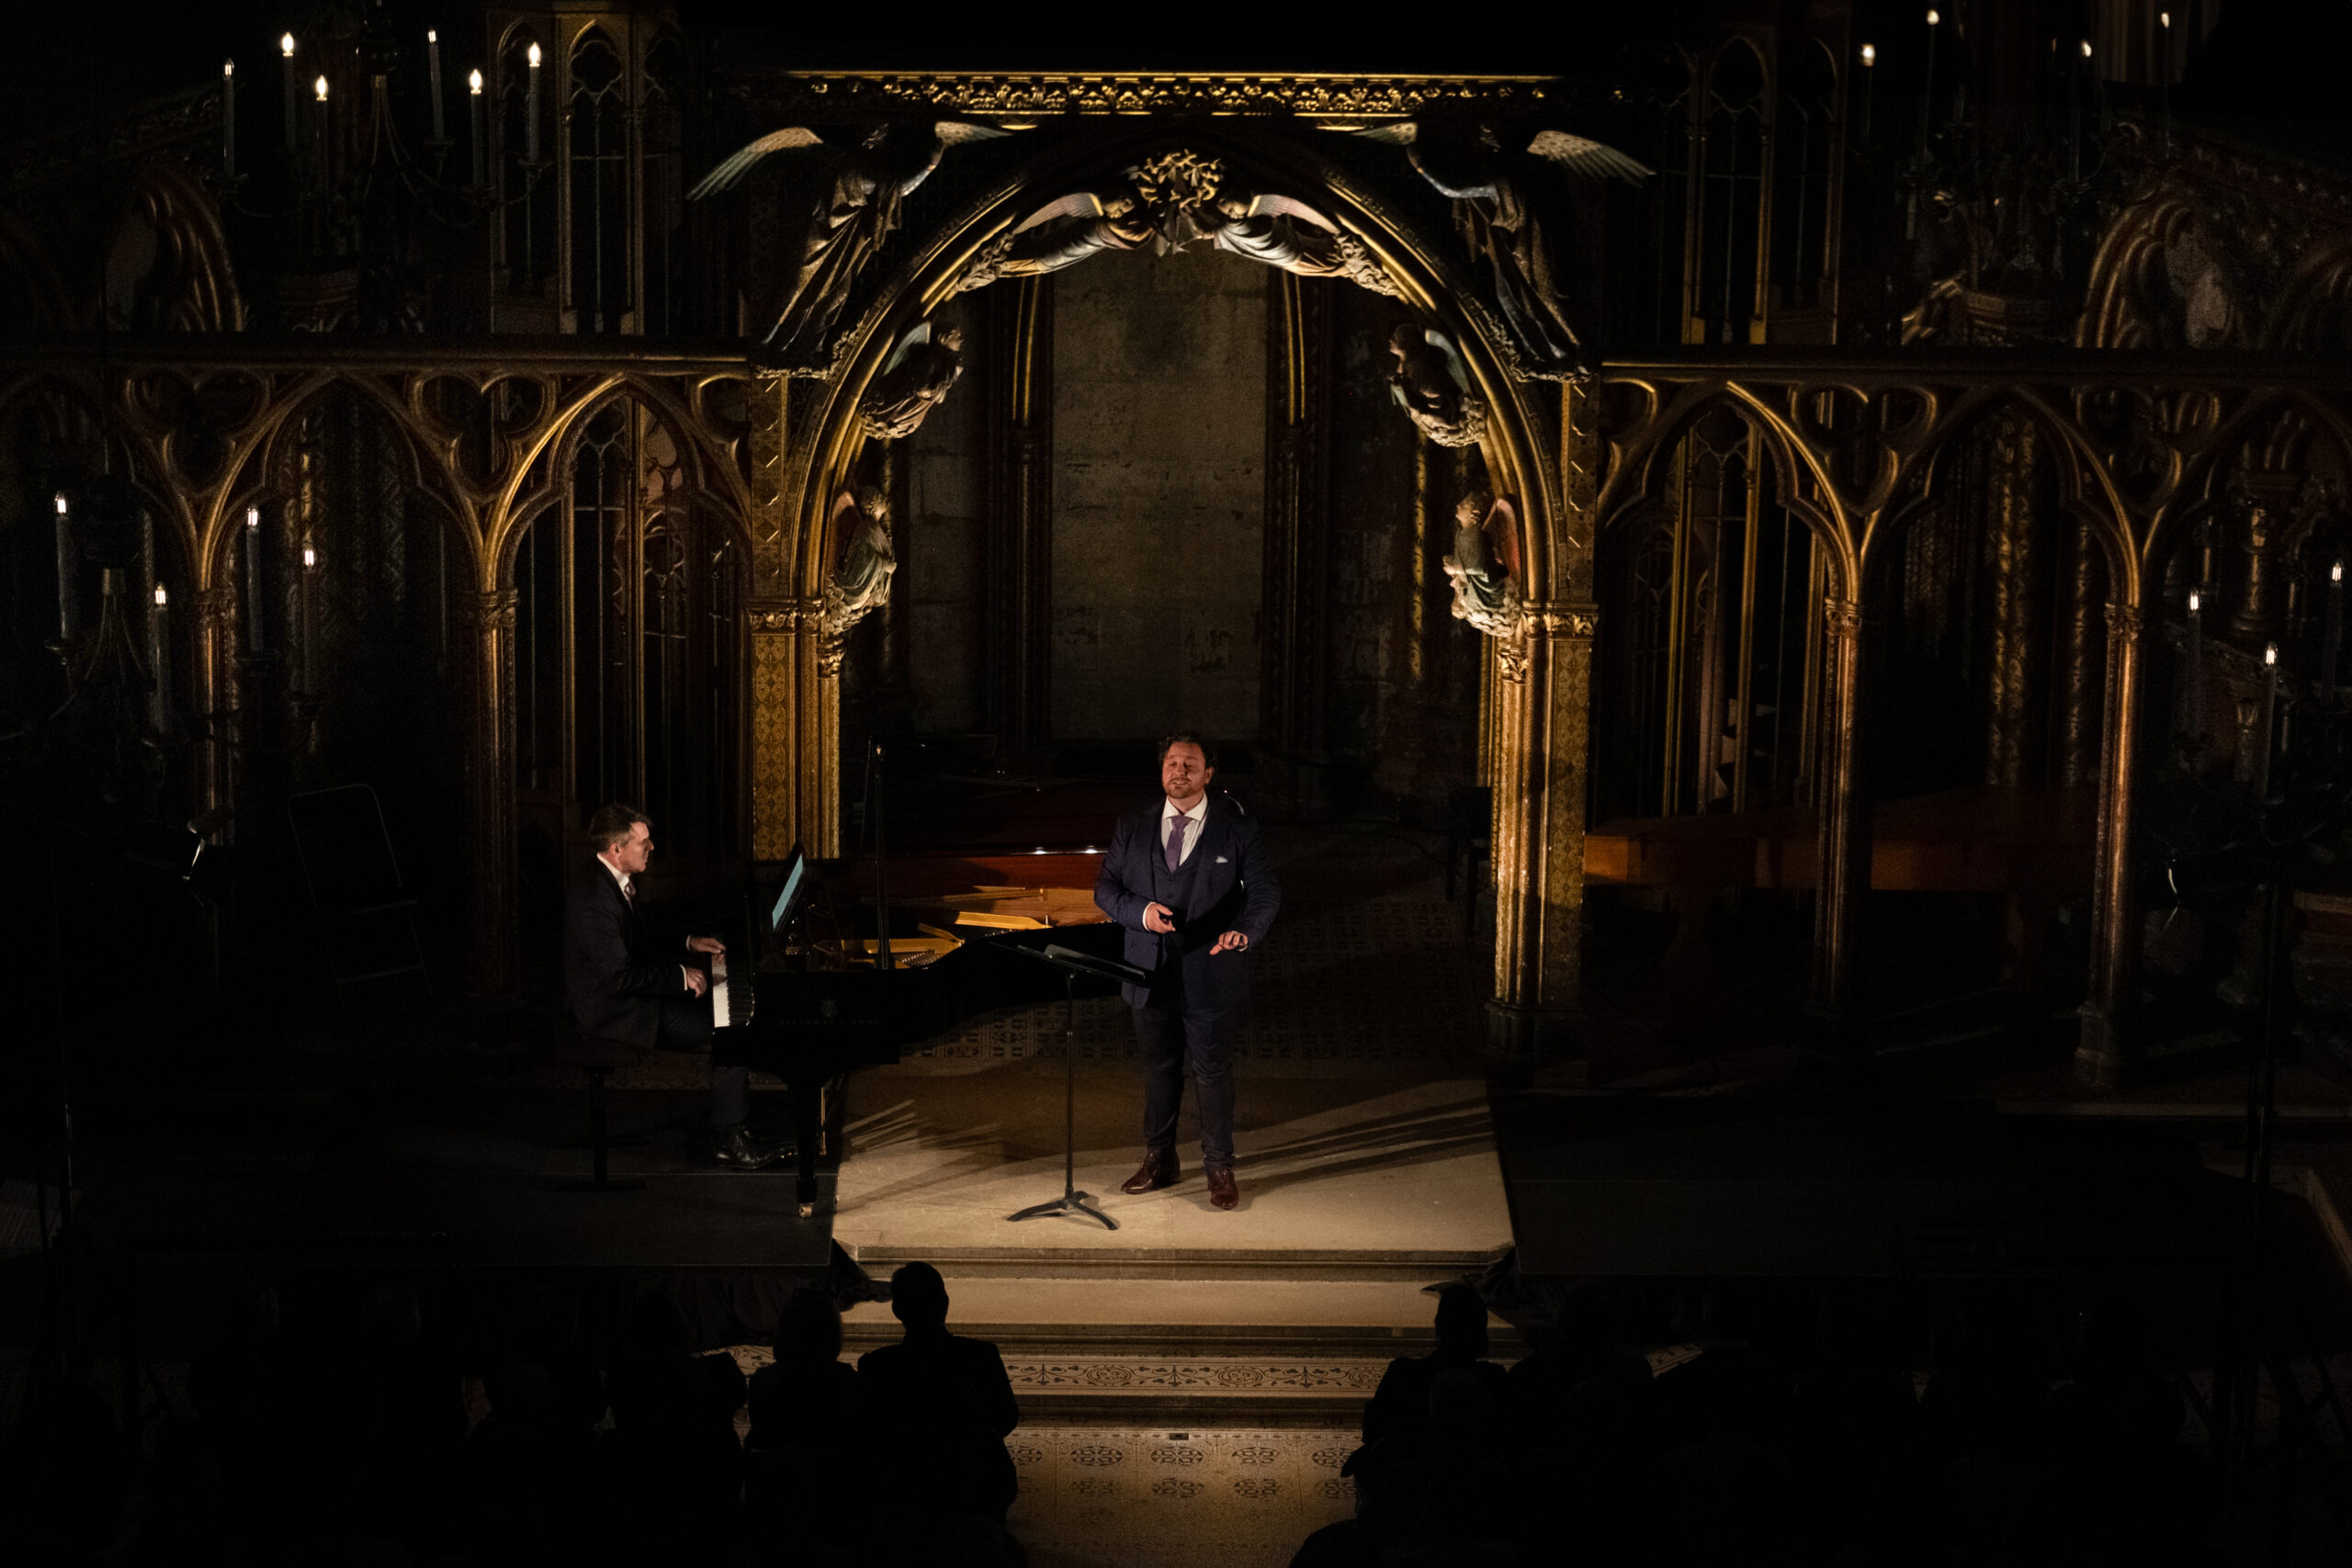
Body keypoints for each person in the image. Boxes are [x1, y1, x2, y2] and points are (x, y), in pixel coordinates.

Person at [1092, 732, 1281, 1211]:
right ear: (1162, 770)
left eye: (1190, 764)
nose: (1179, 771)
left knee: (1211, 1072)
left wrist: (1244, 931)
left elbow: (1264, 890)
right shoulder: (1133, 825)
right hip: (1148, 972)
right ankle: (1160, 1159)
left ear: (1208, 774)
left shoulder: (1236, 827)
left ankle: (1219, 1167)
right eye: (1172, 763)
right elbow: (1106, 889)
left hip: (1210, 971)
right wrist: (1141, 913)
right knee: (1159, 1069)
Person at [566, 803, 782, 1168]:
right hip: (611, 1010)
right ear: (617, 849)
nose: (652, 848)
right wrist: (680, 976)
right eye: (644, 843)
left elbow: (641, 936)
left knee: (724, 1014)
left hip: (633, 994)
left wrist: (688, 943)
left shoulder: (611, 877)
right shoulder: (594, 901)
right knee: (731, 1038)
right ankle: (729, 1141)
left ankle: (735, 1125)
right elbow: (619, 979)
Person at [855, 1262, 1020, 1528]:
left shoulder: (877, 1366)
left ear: (897, 1310)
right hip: (972, 1488)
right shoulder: (980, 1357)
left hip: (903, 1491)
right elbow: (1006, 1419)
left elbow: (866, 1433)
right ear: (944, 1302)